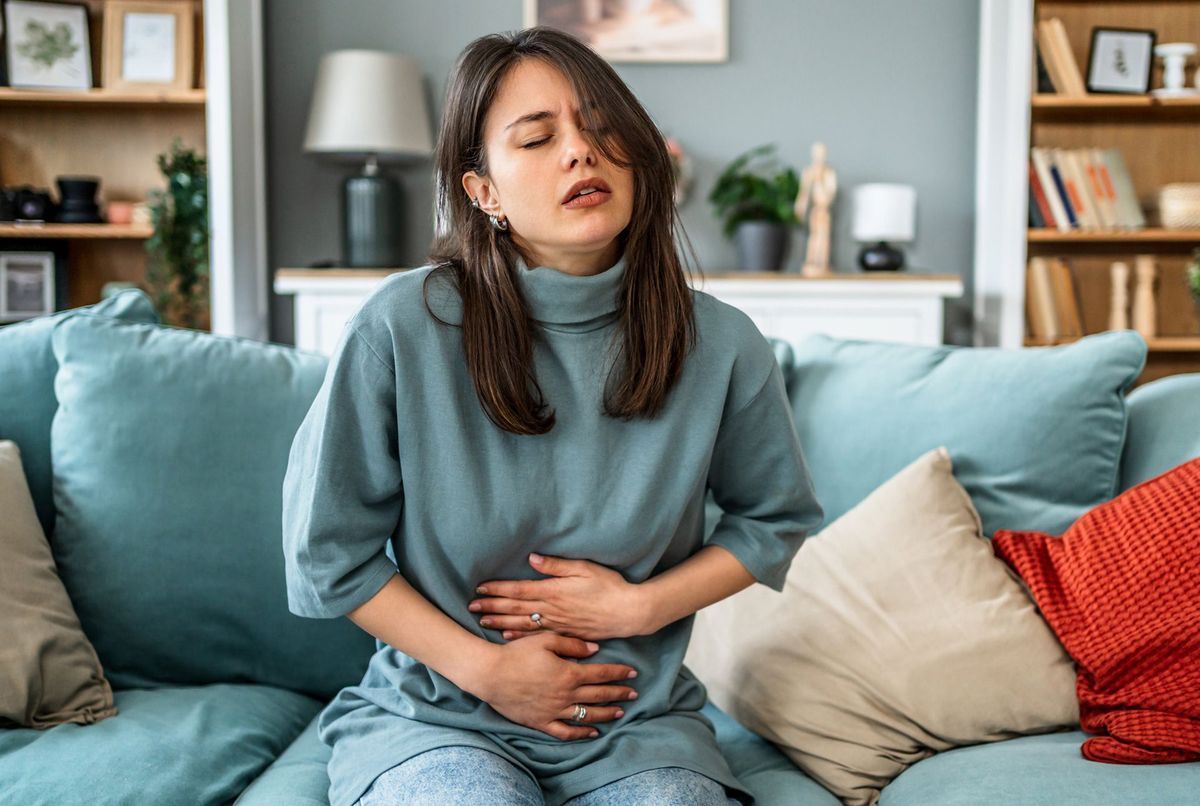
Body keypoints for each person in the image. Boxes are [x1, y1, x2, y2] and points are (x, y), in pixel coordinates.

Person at [281, 25, 823, 806]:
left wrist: (641, 604)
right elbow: (325, 553)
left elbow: (774, 518)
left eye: (602, 128)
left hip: (639, 728)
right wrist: (490, 671)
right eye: (537, 138)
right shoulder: (400, 325)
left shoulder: (722, 344)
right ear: (484, 193)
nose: (580, 151)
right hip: (436, 717)